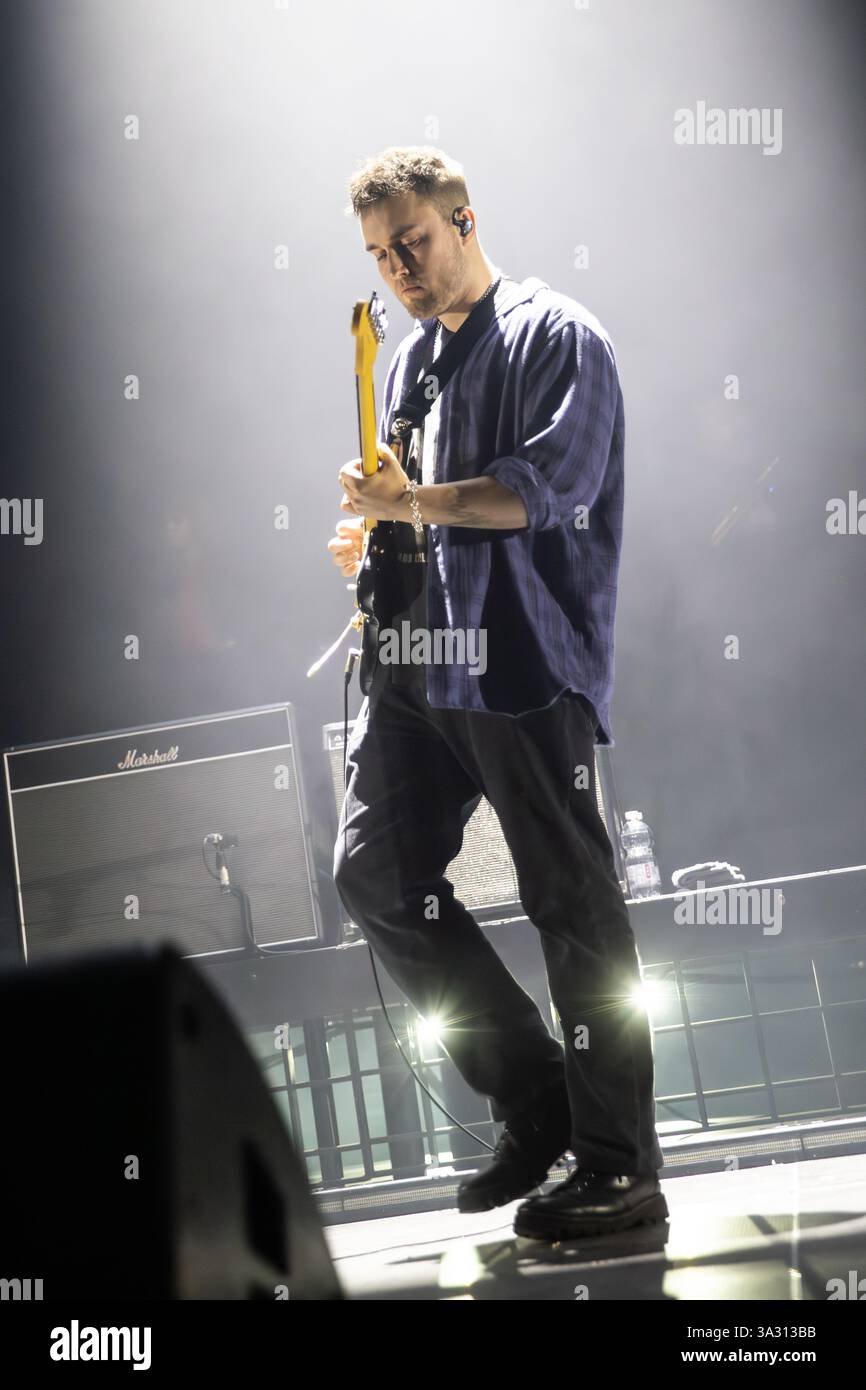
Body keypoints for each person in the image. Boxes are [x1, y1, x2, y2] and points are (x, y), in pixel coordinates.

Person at [329, 146, 667, 1240]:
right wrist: (371, 535)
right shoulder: (406, 365)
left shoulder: (556, 336)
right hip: (417, 667)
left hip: (519, 660)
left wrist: (411, 501)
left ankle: (619, 1165)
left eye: (413, 244)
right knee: (372, 874)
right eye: (380, 256)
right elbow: (412, 513)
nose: (399, 272)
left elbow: (542, 490)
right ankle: (536, 1099)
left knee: (570, 905)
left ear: (465, 220)